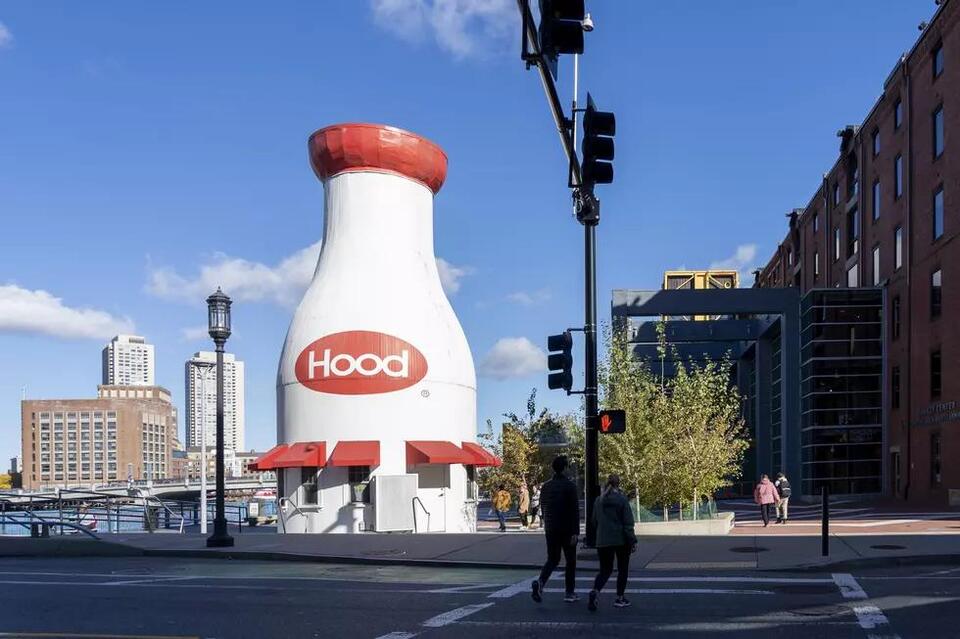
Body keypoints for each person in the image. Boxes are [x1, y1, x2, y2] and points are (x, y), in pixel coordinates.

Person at [531, 455, 580, 604]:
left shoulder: (546, 486)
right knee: (570, 561)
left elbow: (543, 506)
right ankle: (569, 592)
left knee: (552, 559)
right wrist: (575, 532)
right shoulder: (570, 486)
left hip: (551, 528)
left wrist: (546, 523)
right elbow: (574, 511)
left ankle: (541, 582)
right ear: (565, 468)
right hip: (566, 528)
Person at [588, 475, 637, 611]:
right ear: (618, 484)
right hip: (620, 540)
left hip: (603, 540)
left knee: (605, 570)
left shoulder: (598, 501)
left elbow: (594, 521)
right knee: (622, 569)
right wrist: (632, 540)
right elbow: (628, 523)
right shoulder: (622, 500)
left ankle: (595, 591)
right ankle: (620, 598)